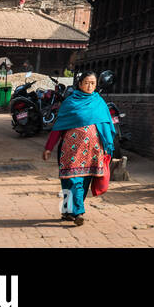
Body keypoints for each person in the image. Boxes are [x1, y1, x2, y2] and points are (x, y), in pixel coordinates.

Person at [42, 70, 115, 226]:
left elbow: (106, 125)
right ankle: (79, 212)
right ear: (80, 84)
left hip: (93, 151)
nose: (90, 86)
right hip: (72, 150)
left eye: (93, 83)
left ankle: (68, 211)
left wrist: (108, 147)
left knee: (84, 180)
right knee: (73, 180)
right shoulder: (70, 103)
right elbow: (58, 127)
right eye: (87, 83)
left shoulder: (99, 102)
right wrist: (49, 147)